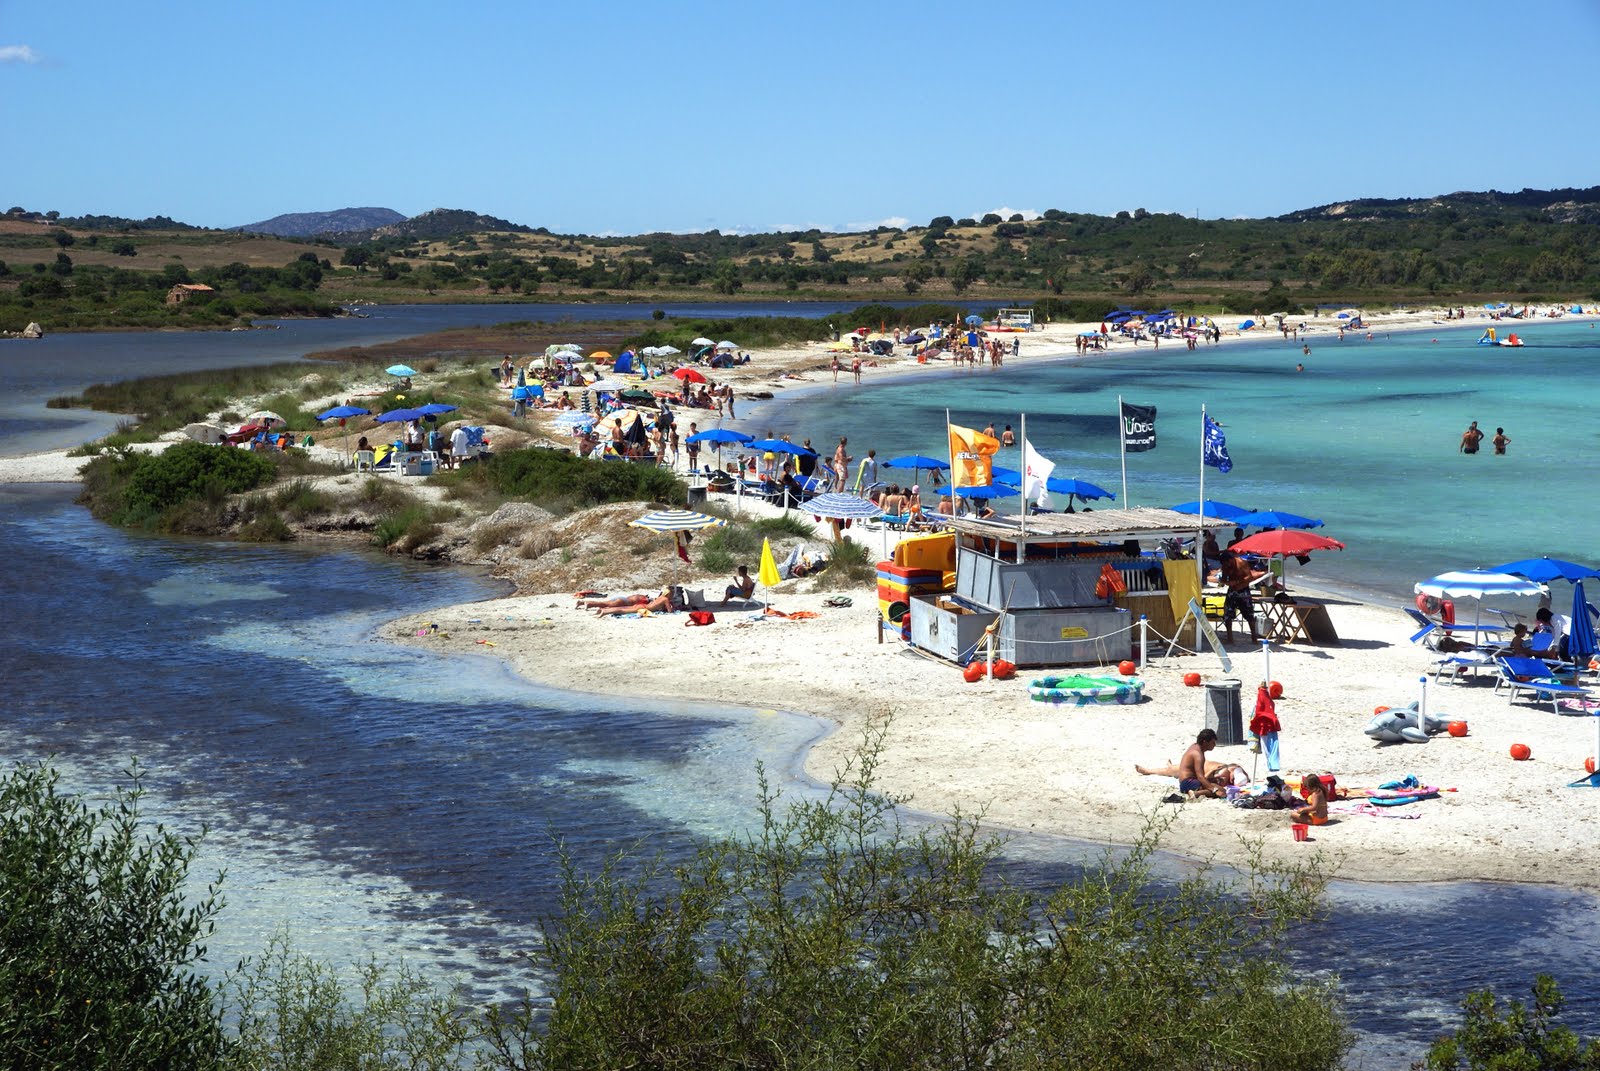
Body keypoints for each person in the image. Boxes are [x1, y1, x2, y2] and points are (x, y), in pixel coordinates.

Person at [1220, 550, 1264, 643]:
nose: (1227, 565)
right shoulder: (1225, 566)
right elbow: (1224, 579)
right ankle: (1230, 638)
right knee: (1227, 614)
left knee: (1249, 614)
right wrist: (1227, 582)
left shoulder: (1241, 563)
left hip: (1243, 590)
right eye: (1225, 564)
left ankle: (1254, 637)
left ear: (1231, 559)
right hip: (1232, 590)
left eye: (1228, 563)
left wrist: (1237, 582)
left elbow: (1249, 577)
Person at [594, 590, 675, 617]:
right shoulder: (665, 599)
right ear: (668, 594)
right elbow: (669, 611)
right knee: (622, 610)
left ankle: (603, 610)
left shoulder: (660, 597)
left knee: (624, 608)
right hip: (644, 608)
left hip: (642, 605)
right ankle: (604, 612)